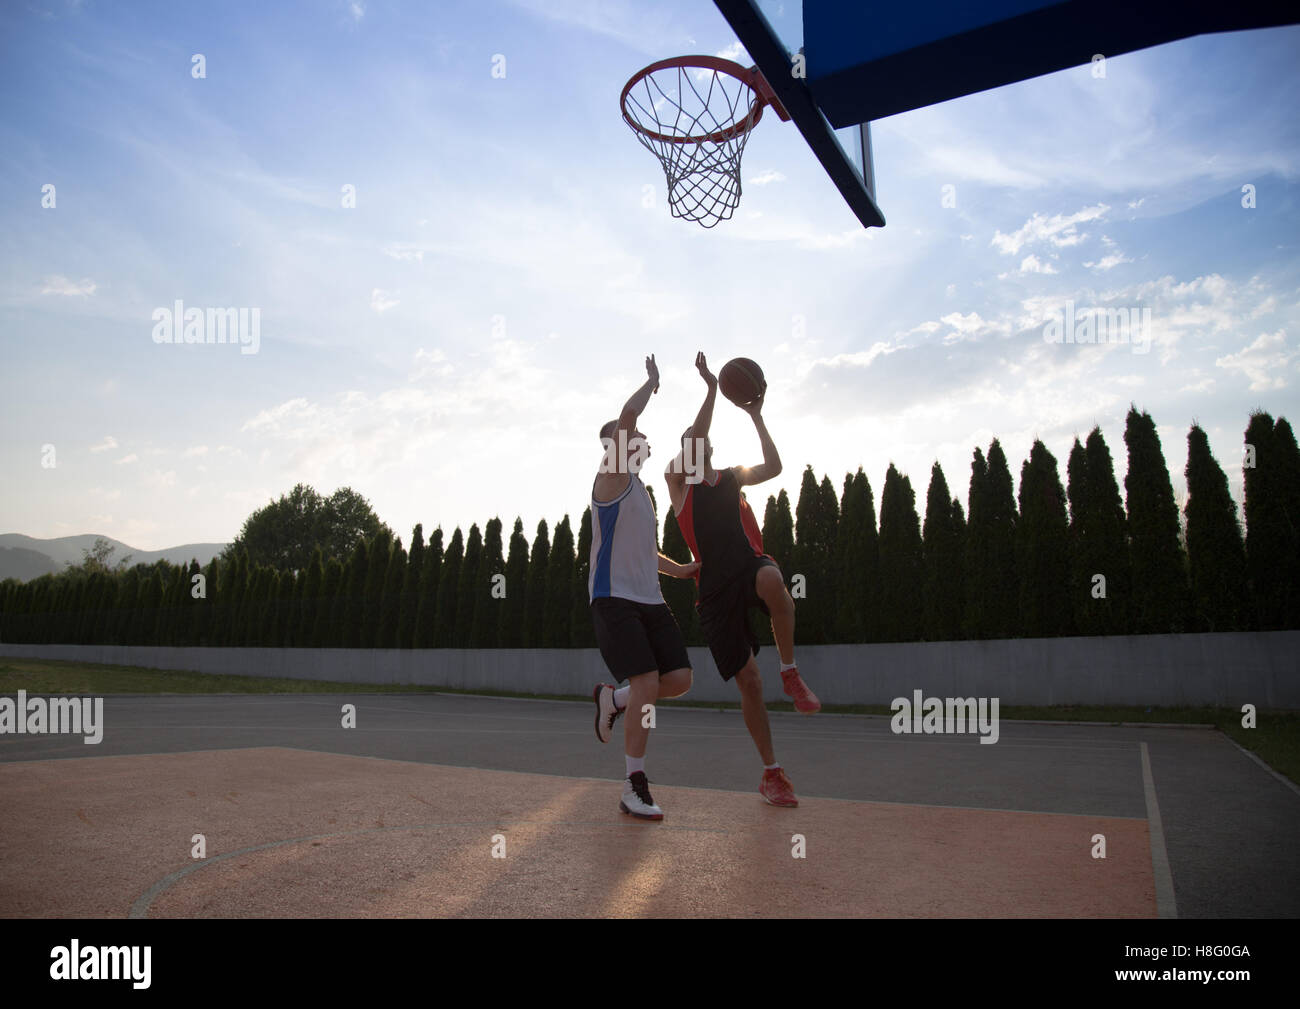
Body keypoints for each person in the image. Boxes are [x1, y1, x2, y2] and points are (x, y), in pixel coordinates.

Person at [664, 352, 820, 808]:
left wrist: (756, 416)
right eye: (692, 441)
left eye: (701, 442)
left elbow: (773, 467)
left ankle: (790, 672)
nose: (697, 444)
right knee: (749, 682)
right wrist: (711, 389)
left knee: (774, 582)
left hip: (748, 568)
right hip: (713, 589)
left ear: (710, 449)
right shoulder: (678, 481)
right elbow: (694, 435)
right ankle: (772, 774)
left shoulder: (732, 478)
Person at [589, 354, 699, 821]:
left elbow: (646, 553)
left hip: (649, 599)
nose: (644, 438)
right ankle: (634, 784)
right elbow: (629, 417)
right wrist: (651, 383)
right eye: (635, 436)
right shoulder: (611, 477)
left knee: (679, 680)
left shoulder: (640, 492)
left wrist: (683, 570)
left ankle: (611, 700)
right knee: (648, 682)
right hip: (614, 600)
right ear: (621, 443)